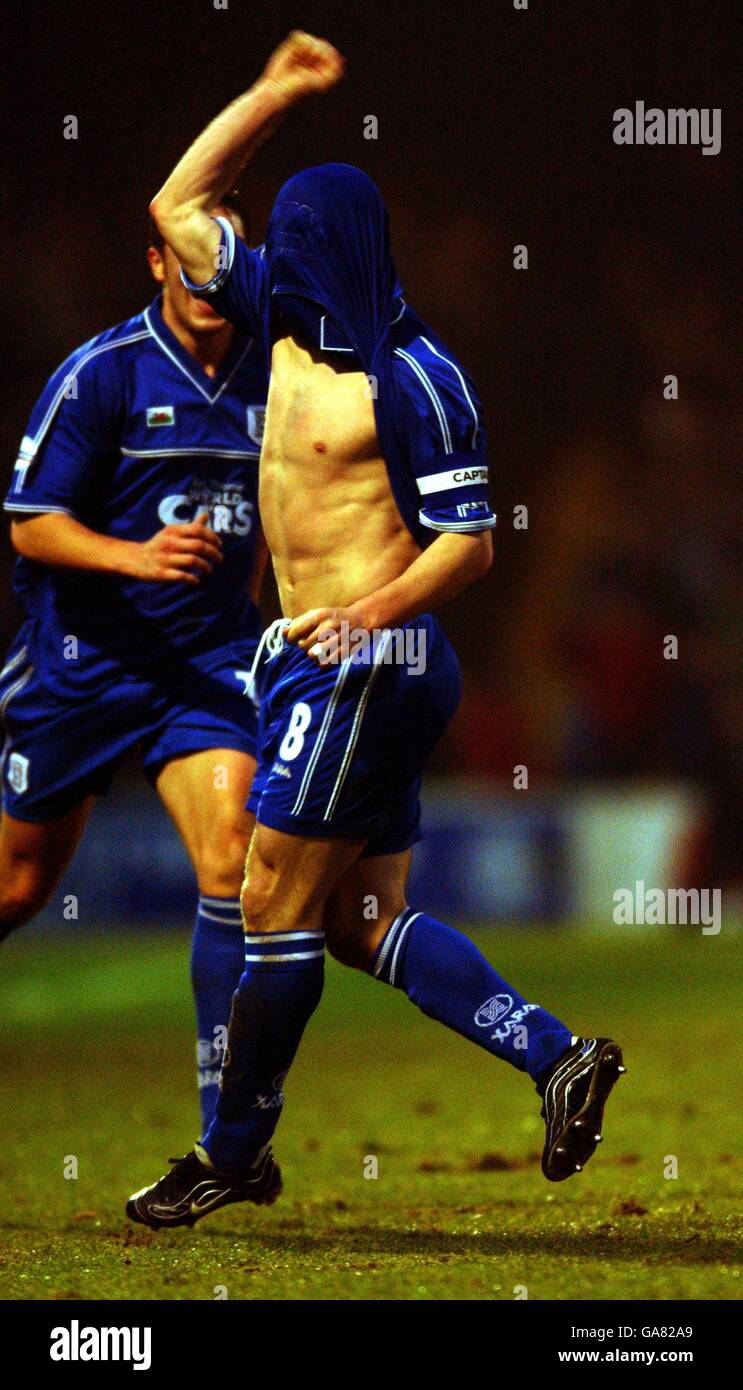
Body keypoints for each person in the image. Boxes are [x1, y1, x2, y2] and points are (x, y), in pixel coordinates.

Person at [127, 32, 624, 1229]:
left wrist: (362, 614)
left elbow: (469, 543)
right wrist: (277, 94)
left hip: (367, 667)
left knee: (270, 905)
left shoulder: (415, 378)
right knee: (359, 924)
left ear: (338, 248)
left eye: (298, 239)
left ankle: (232, 1150)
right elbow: (177, 201)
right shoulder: (281, 316)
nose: (271, 258)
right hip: (334, 667)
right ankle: (554, 1057)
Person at [1, 195, 269, 1128]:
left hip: (203, 666)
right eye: (187, 254)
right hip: (83, 665)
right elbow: (31, 523)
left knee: (232, 860)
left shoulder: (274, 376)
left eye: (224, 255)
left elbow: (273, 503)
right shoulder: (102, 373)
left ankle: (224, 1131)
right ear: (156, 262)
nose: (206, 273)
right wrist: (134, 557)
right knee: (18, 888)